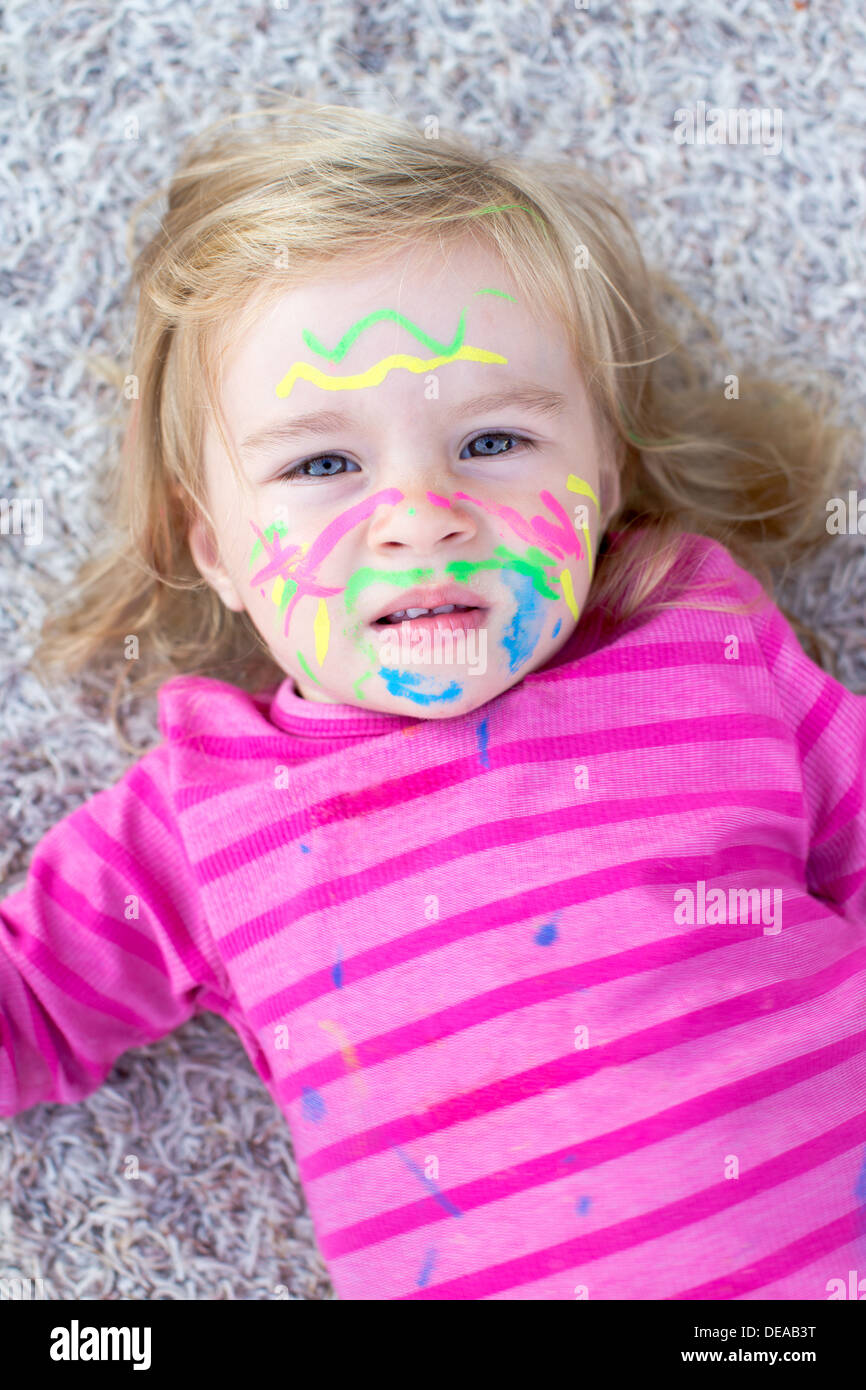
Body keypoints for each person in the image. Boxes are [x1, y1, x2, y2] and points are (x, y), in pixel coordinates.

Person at [2, 99, 864, 1300]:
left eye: (495, 440)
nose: (421, 512)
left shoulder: (702, 644)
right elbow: (30, 1000)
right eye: (322, 464)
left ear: (603, 473)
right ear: (215, 551)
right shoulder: (203, 817)